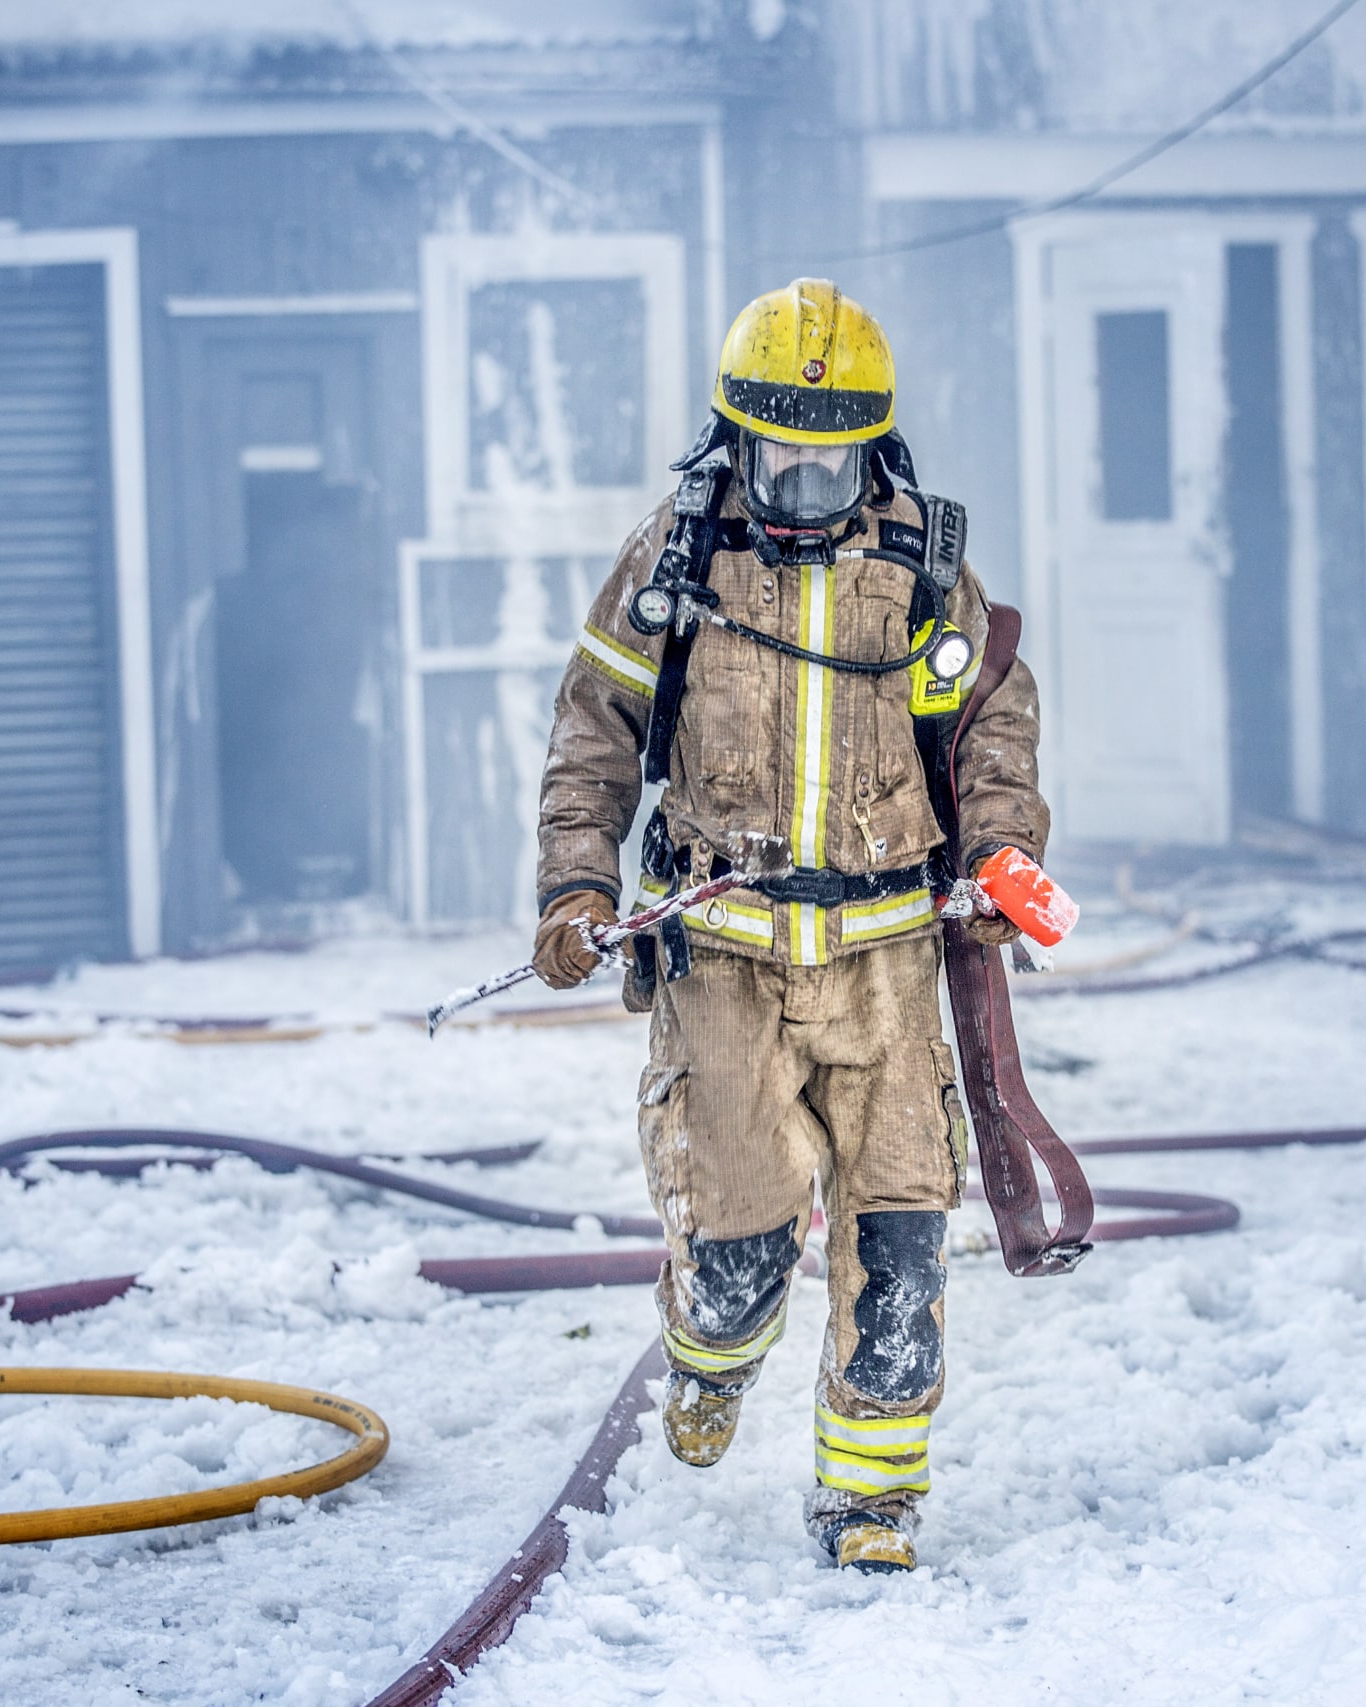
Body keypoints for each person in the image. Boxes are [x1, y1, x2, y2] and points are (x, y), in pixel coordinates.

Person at [529, 279, 1048, 1573]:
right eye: (780, 463)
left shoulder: (922, 565)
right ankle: (712, 1352)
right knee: (741, 1238)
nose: (803, 491)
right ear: (733, 443)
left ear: (870, 450)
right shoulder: (678, 562)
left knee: (901, 1241)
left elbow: (991, 717)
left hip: (885, 958)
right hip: (726, 961)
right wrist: (574, 883)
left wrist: (1003, 848)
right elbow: (594, 727)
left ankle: (869, 1503)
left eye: (831, 468)